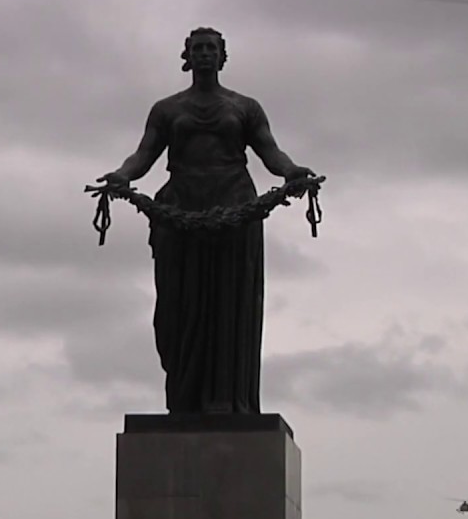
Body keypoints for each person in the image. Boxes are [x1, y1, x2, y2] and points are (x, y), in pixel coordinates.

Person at [98, 27, 315, 414]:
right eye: (197, 48)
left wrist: (292, 171)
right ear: (187, 56)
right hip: (181, 209)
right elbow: (143, 155)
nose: (203, 54)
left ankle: (227, 402)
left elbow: (270, 151)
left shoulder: (245, 107)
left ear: (222, 56)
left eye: (210, 48)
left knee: (229, 303)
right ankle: (184, 399)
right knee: (177, 308)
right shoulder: (166, 109)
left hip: (234, 207)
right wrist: (122, 177)